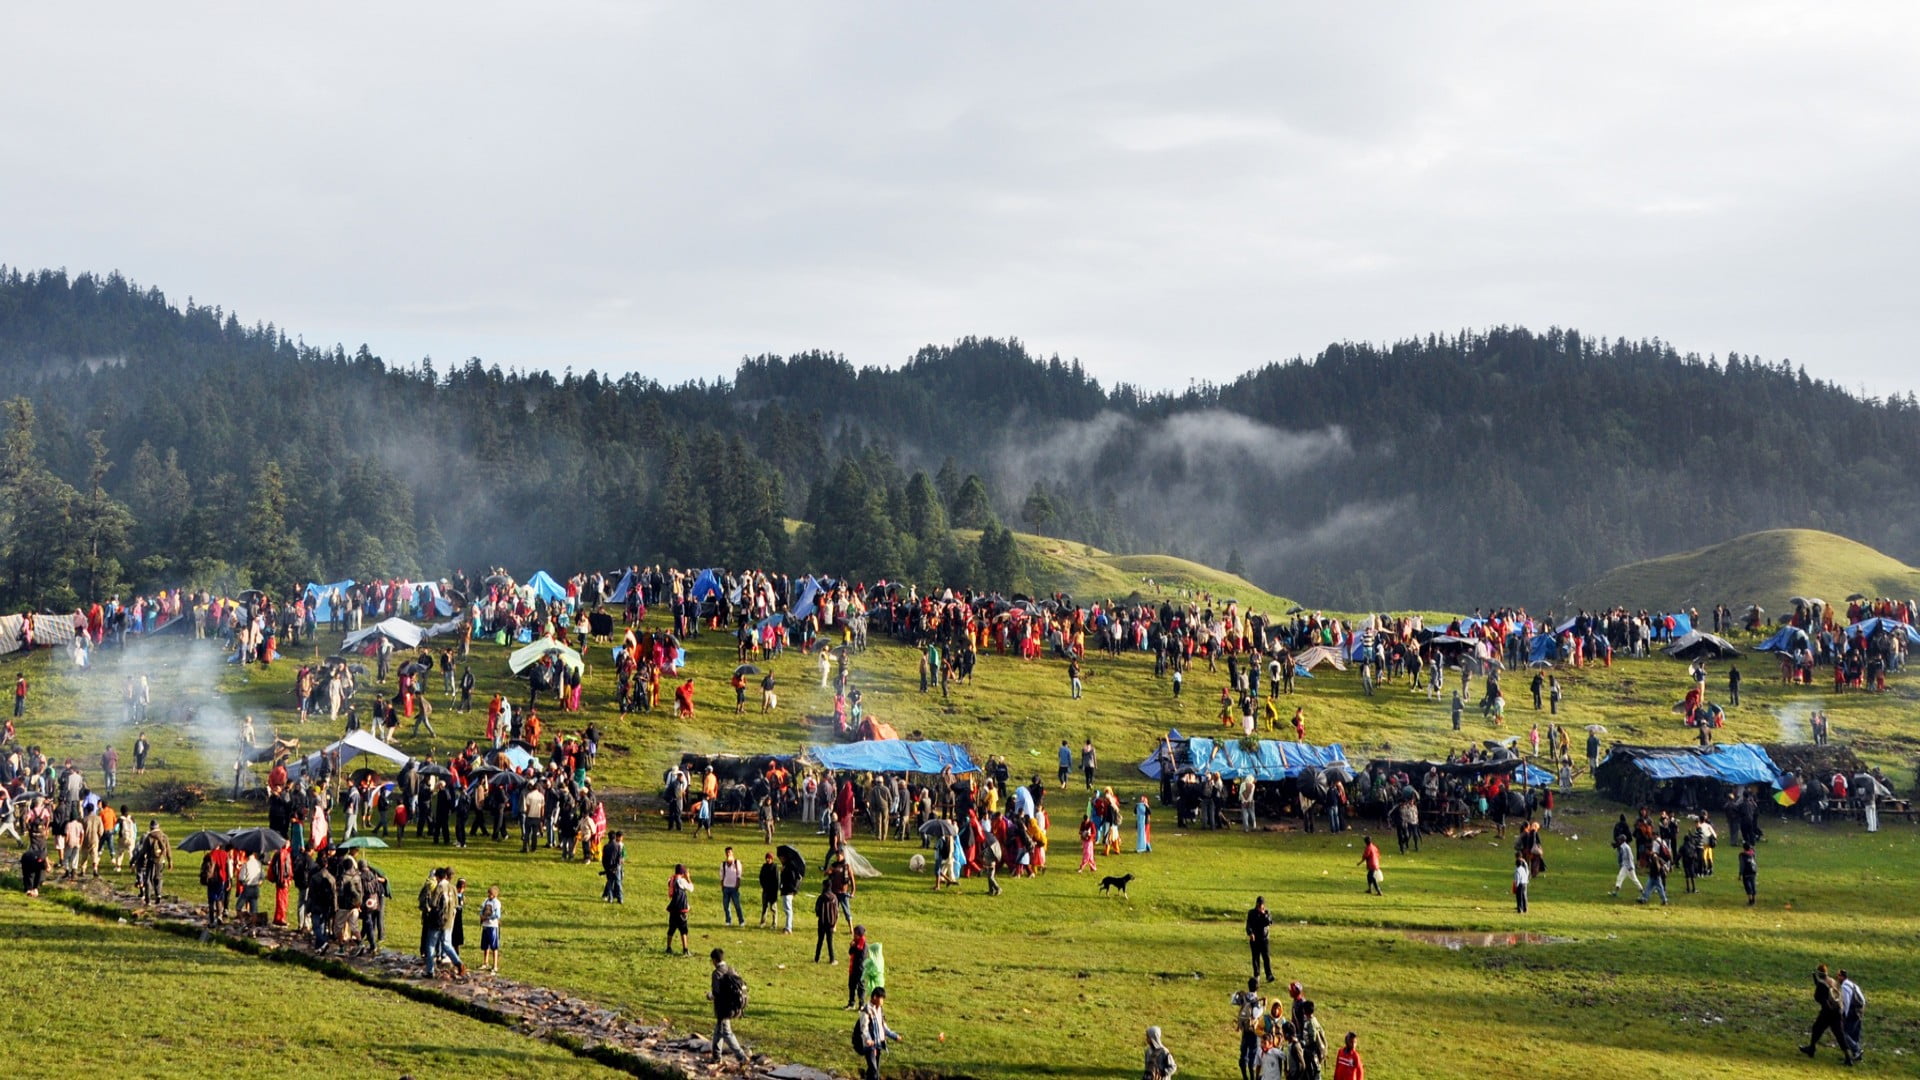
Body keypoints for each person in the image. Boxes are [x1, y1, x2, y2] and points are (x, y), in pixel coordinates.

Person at [1801, 964, 1857, 1064]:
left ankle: (1811, 1049)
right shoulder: (1832, 981)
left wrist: (1825, 1007)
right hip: (1837, 1011)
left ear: (1818, 974)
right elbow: (1822, 986)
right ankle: (1848, 1058)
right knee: (1839, 1035)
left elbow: (1819, 995)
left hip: (1827, 1013)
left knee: (1816, 1028)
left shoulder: (1821, 985)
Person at [707, 948, 750, 1064]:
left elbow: (716, 993)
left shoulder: (717, 973)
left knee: (727, 1033)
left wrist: (709, 996)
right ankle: (716, 1057)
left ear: (714, 960)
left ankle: (741, 1057)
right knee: (718, 1031)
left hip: (723, 1009)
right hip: (734, 1007)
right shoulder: (731, 969)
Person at [856, 987, 903, 1080]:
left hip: (878, 1044)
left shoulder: (880, 1010)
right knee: (874, 1071)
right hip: (869, 1045)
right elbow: (864, 1028)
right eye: (881, 998)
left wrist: (894, 1036)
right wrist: (868, 1039)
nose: (882, 1001)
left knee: (873, 1071)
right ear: (874, 997)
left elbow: (884, 1028)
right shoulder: (866, 1010)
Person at [1232, 977, 1265, 1080]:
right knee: (1252, 1056)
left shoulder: (1244, 997)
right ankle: (1252, 1078)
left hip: (1244, 1030)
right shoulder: (1256, 1000)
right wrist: (1263, 1007)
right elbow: (1255, 1015)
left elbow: (1233, 1000)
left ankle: (1245, 1077)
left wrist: (1237, 992)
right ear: (1257, 988)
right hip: (1253, 1031)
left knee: (1243, 1055)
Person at [665, 863, 694, 954]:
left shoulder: (672, 880)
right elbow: (691, 889)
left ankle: (668, 948)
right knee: (683, 929)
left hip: (673, 908)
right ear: (682, 872)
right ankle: (685, 949)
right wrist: (688, 878)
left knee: (671, 928)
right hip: (681, 909)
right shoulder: (681, 881)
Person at [1838, 970, 1866, 1060]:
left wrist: (1844, 1015)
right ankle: (1857, 1055)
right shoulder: (1853, 985)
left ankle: (1856, 1050)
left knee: (1844, 1033)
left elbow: (1847, 1002)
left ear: (1842, 977)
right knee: (1854, 1034)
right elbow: (1863, 999)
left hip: (1852, 1012)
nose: (1837, 978)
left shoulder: (1844, 987)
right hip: (1860, 1010)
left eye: (1838, 976)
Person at [1246, 896, 1274, 982]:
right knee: (1255, 957)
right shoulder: (1251, 913)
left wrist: (1263, 914)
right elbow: (1248, 925)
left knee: (1266, 957)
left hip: (1264, 939)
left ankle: (1268, 975)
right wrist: (1250, 933)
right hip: (1254, 939)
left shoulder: (1266, 913)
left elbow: (1269, 922)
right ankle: (1256, 974)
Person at [814, 882, 841, 962]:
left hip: (822, 922)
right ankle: (832, 959)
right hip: (831, 923)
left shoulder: (821, 897)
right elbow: (836, 911)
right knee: (830, 942)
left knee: (820, 941)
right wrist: (834, 922)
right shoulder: (834, 897)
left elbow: (817, 910)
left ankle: (816, 958)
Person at [601, 830, 626, 903]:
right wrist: (616, 866)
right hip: (616, 868)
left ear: (608, 838)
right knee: (618, 882)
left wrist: (606, 868)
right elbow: (619, 857)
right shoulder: (618, 846)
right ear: (615, 837)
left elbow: (603, 859)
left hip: (608, 868)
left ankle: (610, 898)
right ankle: (620, 898)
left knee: (610, 883)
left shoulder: (605, 847)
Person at [758, 851, 781, 927]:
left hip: (773, 891)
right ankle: (762, 922)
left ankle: (774, 923)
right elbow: (761, 877)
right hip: (765, 890)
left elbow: (777, 880)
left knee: (773, 908)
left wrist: (776, 891)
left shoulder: (775, 867)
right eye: (767, 858)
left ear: (772, 859)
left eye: (769, 858)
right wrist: (763, 886)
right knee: (764, 907)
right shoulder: (764, 867)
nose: (768, 860)